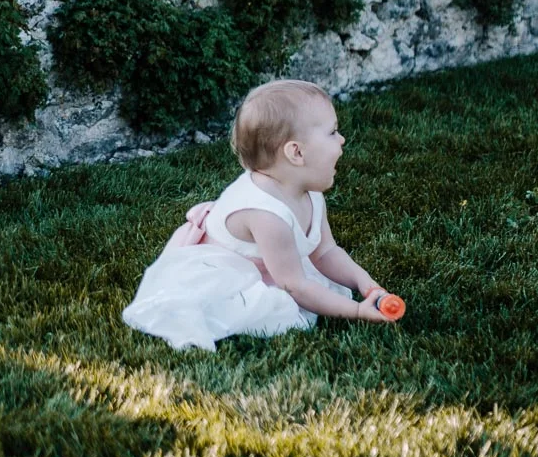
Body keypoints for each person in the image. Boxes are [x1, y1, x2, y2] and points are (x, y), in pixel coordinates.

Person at [121, 79, 399, 351]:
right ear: (297, 152)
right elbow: (296, 286)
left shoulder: (308, 190)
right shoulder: (267, 214)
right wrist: (357, 311)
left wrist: (365, 283)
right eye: (332, 132)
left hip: (272, 260)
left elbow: (325, 251)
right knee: (264, 309)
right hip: (226, 270)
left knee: (314, 279)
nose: (342, 139)